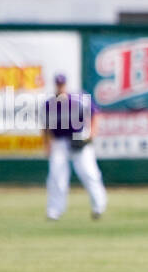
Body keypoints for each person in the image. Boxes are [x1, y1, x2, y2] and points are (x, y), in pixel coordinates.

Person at [42, 73, 107, 221]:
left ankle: (99, 206)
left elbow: (95, 114)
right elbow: (45, 126)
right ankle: (54, 211)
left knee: (90, 173)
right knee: (56, 176)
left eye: (62, 84)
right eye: (58, 84)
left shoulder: (78, 99)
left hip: (78, 138)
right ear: (55, 85)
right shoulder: (49, 103)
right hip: (59, 141)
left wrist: (91, 134)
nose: (60, 87)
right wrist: (47, 144)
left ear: (66, 85)